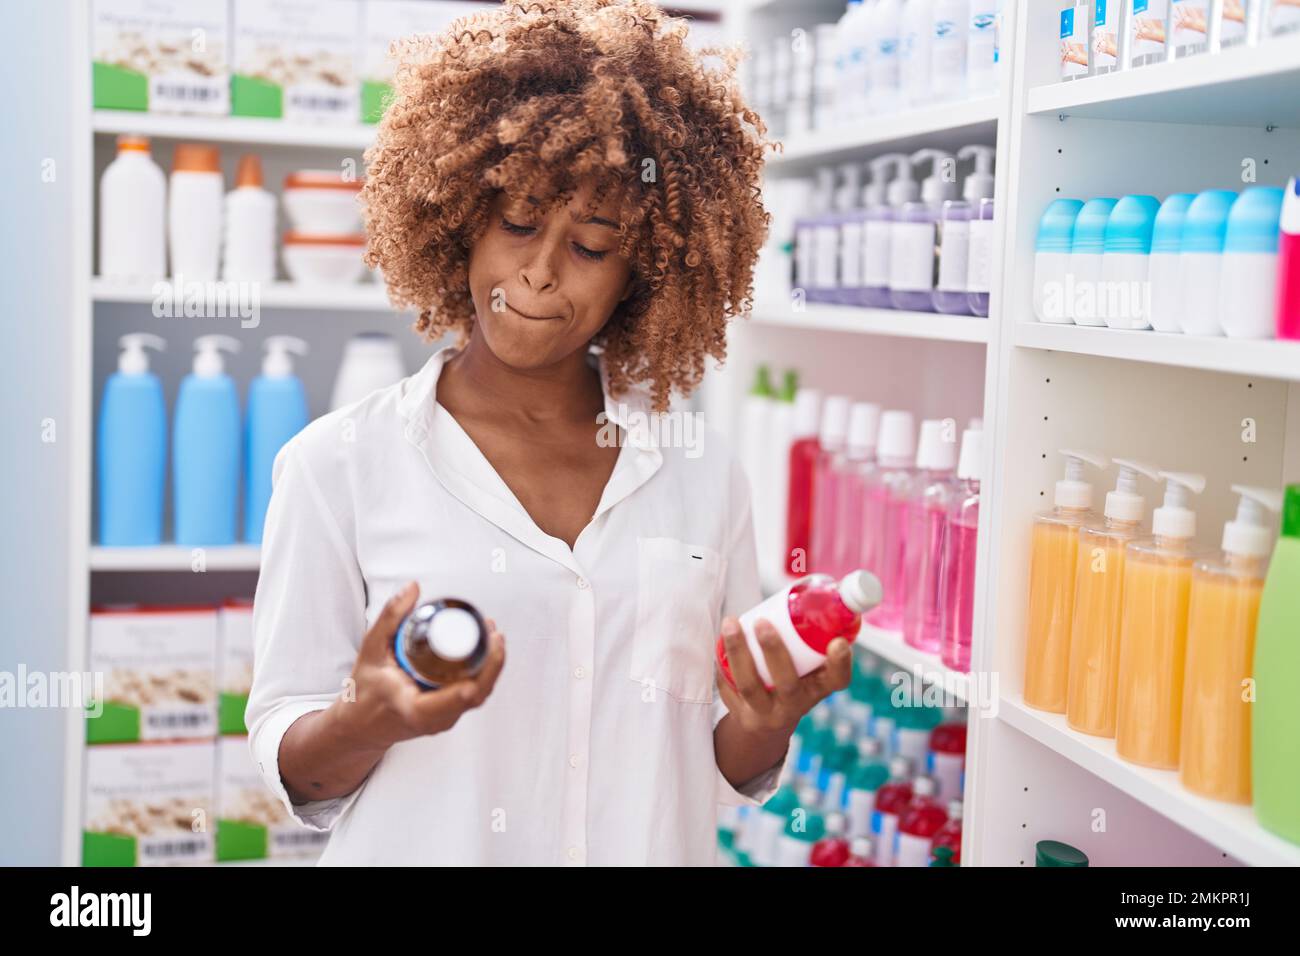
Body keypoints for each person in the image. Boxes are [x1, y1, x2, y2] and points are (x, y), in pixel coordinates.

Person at [246, 0, 852, 866]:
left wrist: (767, 718)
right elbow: (293, 765)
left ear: (642, 273)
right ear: (460, 221)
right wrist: (365, 719)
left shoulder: (700, 473)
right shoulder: (337, 466)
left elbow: (721, 753)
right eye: (519, 222)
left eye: (591, 246)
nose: (537, 270)